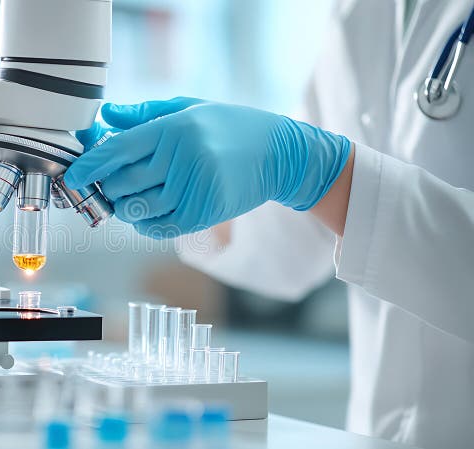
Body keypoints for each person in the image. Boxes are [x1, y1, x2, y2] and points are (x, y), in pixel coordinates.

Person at [63, 1, 474, 448]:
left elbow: (325, 180)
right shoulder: (364, 10)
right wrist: (176, 185)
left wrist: (314, 169)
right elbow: (292, 250)